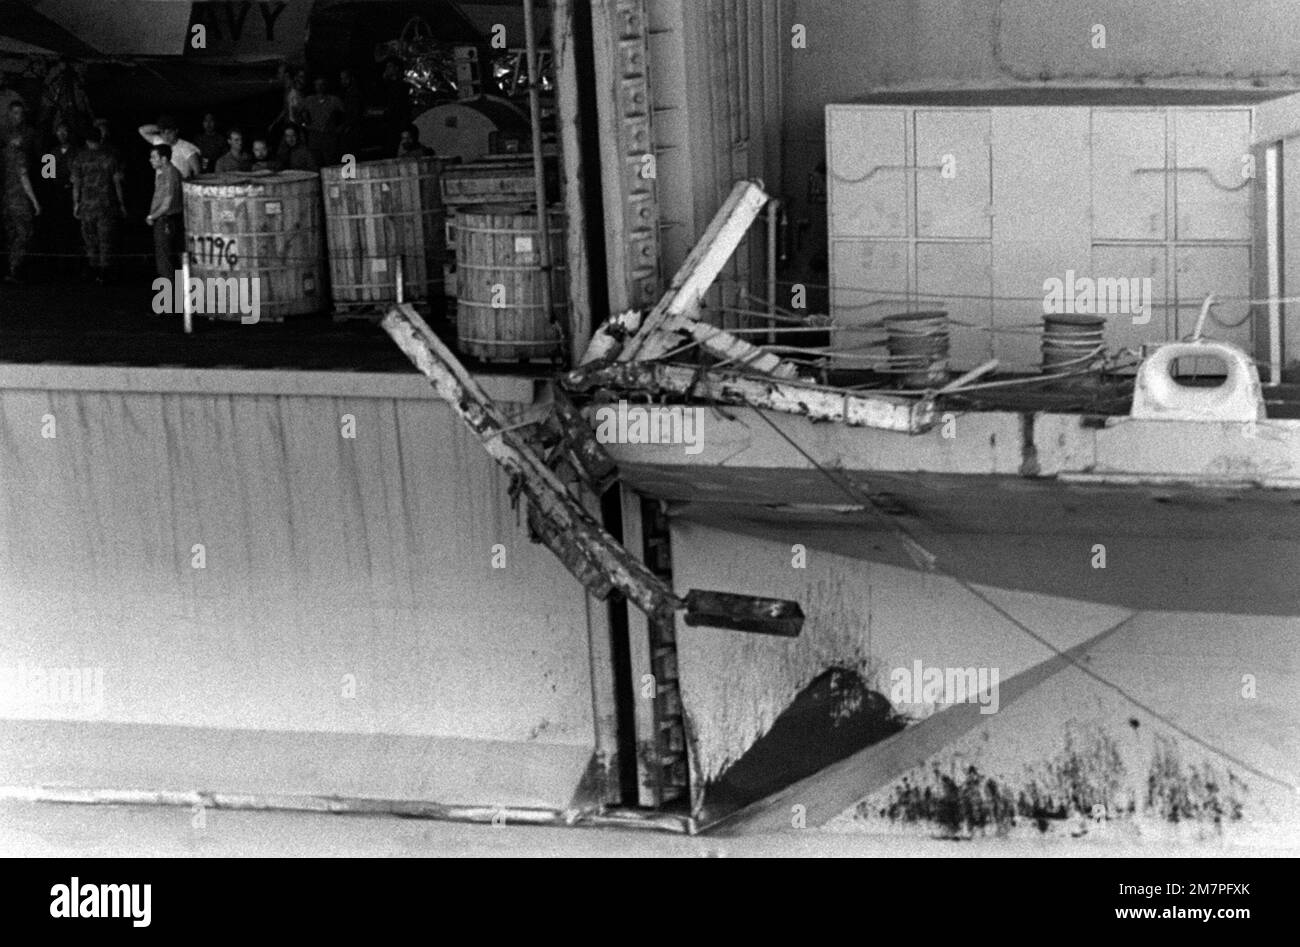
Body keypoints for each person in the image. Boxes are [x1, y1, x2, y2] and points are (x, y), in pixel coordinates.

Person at [70, 127, 125, 284]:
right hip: (106, 205)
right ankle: (104, 273)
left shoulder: (79, 158)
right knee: (105, 240)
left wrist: (76, 203)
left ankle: (91, 270)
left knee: (89, 239)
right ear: (100, 138)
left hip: (87, 205)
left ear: (86, 141)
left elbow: (76, 184)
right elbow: (117, 183)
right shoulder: (110, 157)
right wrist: (121, 204)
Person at [2, 129, 41, 283]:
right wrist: (35, 201)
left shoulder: (3, 154)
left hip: (5, 201)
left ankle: (9, 268)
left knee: (10, 236)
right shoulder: (20, 155)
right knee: (24, 234)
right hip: (19, 201)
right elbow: (24, 179)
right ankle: (15, 269)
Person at [145, 143, 183, 281]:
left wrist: (151, 216)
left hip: (166, 220)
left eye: (154, 157)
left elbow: (167, 204)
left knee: (164, 260)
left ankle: (168, 296)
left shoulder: (170, 175)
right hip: (166, 219)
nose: (151, 160)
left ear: (164, 159)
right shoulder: (164, 174)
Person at [138, 114, 201, 179]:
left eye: (169, 132)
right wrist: (161, 127)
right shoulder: (159, 141)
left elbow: (197, 171)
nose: (166, 136)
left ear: (176, 131)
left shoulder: (187, 147)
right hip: (161, 185)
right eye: (163, 133)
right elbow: (142, 130)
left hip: (180, 186)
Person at [302, 75, 344, 167]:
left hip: (329, 136)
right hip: (315, 136)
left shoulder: (334, 100)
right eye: (317, 84)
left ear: (326, 86)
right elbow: (300, 113)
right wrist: (305, 125)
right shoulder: (309, 100)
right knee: (316, 162)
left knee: (331, 162)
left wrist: (339, 128)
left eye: (322, 84)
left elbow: (344, 115)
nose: (320, 87)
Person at [339, 68, 364, 160]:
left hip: (353, 129)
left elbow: (355, 112)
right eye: (342, 79)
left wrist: (348, 126)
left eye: (345, 78)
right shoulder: (347, 93)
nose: (343, 81)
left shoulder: (354, 94)